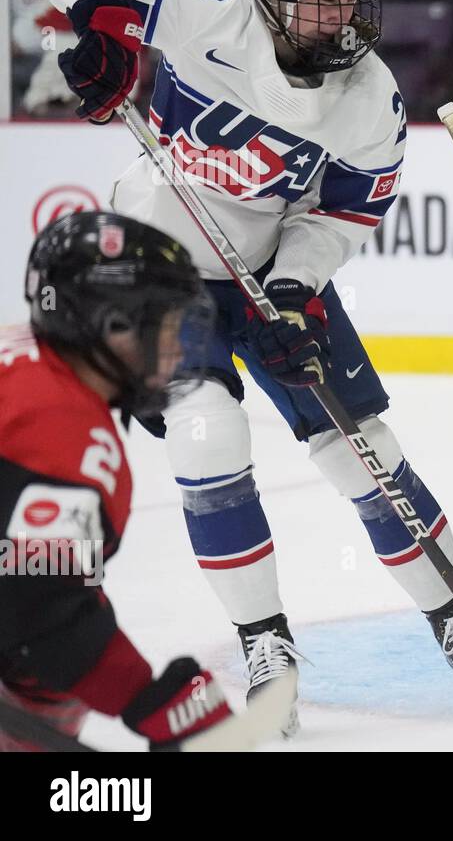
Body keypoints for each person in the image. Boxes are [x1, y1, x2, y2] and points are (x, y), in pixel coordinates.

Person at [28, 0, 453, 729]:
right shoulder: (204, 6)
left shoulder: (373, 100)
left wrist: (292, 287)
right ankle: (265, 638)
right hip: (166, 270)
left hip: (273, 273)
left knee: (363, 453)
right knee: (206, 437)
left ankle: (452, 612)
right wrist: (103, 28)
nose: (344, 17)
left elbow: (340, 216)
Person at [0, 211, 242, 752]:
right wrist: (148, 699)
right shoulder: (68, 433)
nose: (178, 351)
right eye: (166, 327)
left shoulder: (21, 363)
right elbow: (35, 611)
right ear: (112, 324)